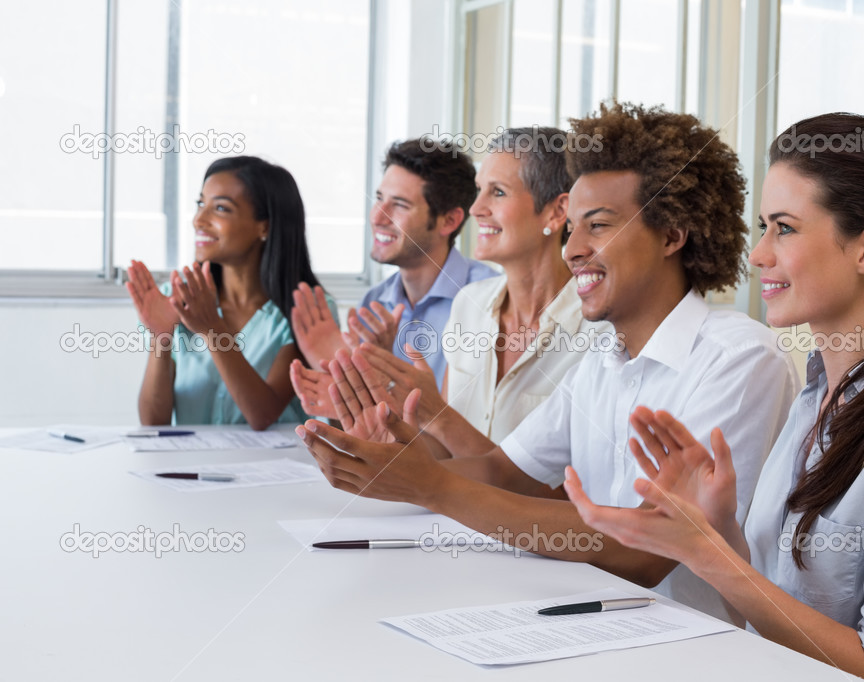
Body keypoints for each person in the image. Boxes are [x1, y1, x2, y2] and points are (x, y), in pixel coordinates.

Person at [294, 103, 799, 621]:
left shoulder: (739, 358)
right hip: (587, 620)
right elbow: (504, 470)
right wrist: (395, 465)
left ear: (672, 236)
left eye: (598, 226)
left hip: (690, 646)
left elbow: (647, 550)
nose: (572, 250)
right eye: (573, 228)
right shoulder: (604, 357)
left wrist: (432, 484)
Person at [562, 113, 864, 681]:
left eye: (784, 227)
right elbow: (767, 623)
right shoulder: (816, 400)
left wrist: (710, 555)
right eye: (762, 227)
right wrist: (717, 534)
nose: (757, 255)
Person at [292, 126, 611, 449]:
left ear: (558, 211)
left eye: (498, 192)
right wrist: (385, 432)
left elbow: (560, 484)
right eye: (479, 190)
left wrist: (435, 416)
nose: (475, 209)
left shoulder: (600, 330)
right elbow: (444, 453)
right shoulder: (470, 303)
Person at [127, 156, 332, 429]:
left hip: (274, 469)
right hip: (193, 467)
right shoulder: (177, 299)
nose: (199, 220)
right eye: (201, 204)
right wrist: (160, 339)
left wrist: (212, 329)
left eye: (221, 208)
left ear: (265, 226)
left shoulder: (307, 309)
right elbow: (153, 423)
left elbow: (262, 415)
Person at [289, 138, 497, 391]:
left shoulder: (488, 300)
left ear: (449, 221)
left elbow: (461, 422)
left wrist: (384, 371)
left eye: (399, 205)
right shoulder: (373, 303)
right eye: (379, 198)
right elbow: (367, 428)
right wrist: (338, 372)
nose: (377, 217)